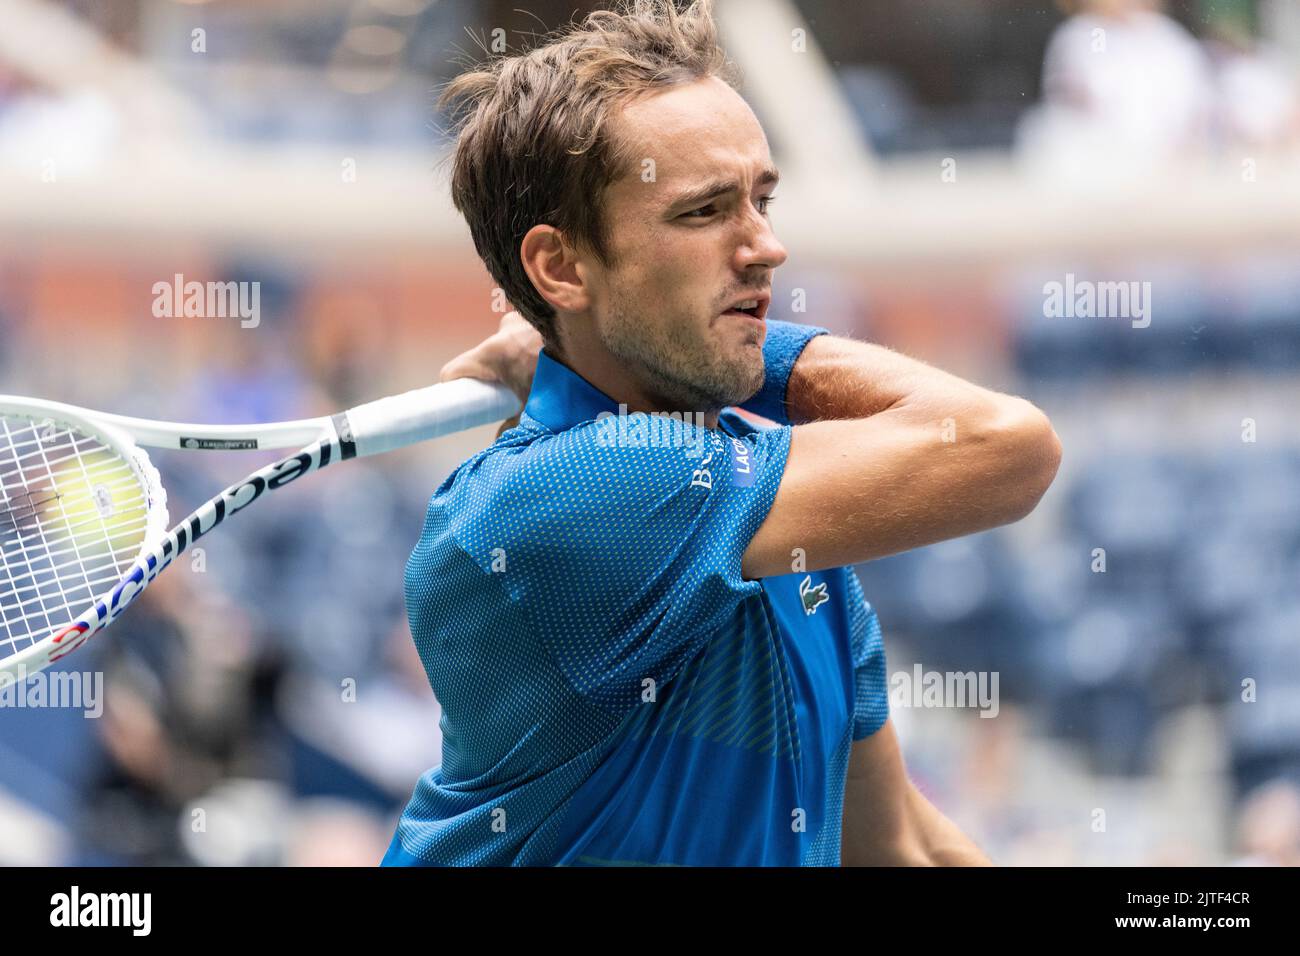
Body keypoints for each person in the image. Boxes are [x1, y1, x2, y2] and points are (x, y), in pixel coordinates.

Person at [383, 0, 1061, 866]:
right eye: (704, 213)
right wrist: (766, 353)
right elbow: (1008, 446)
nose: (766, 247)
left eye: (762, 200)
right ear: (560, 267)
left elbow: (900, 848)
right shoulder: (581, 489)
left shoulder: (782, 527)